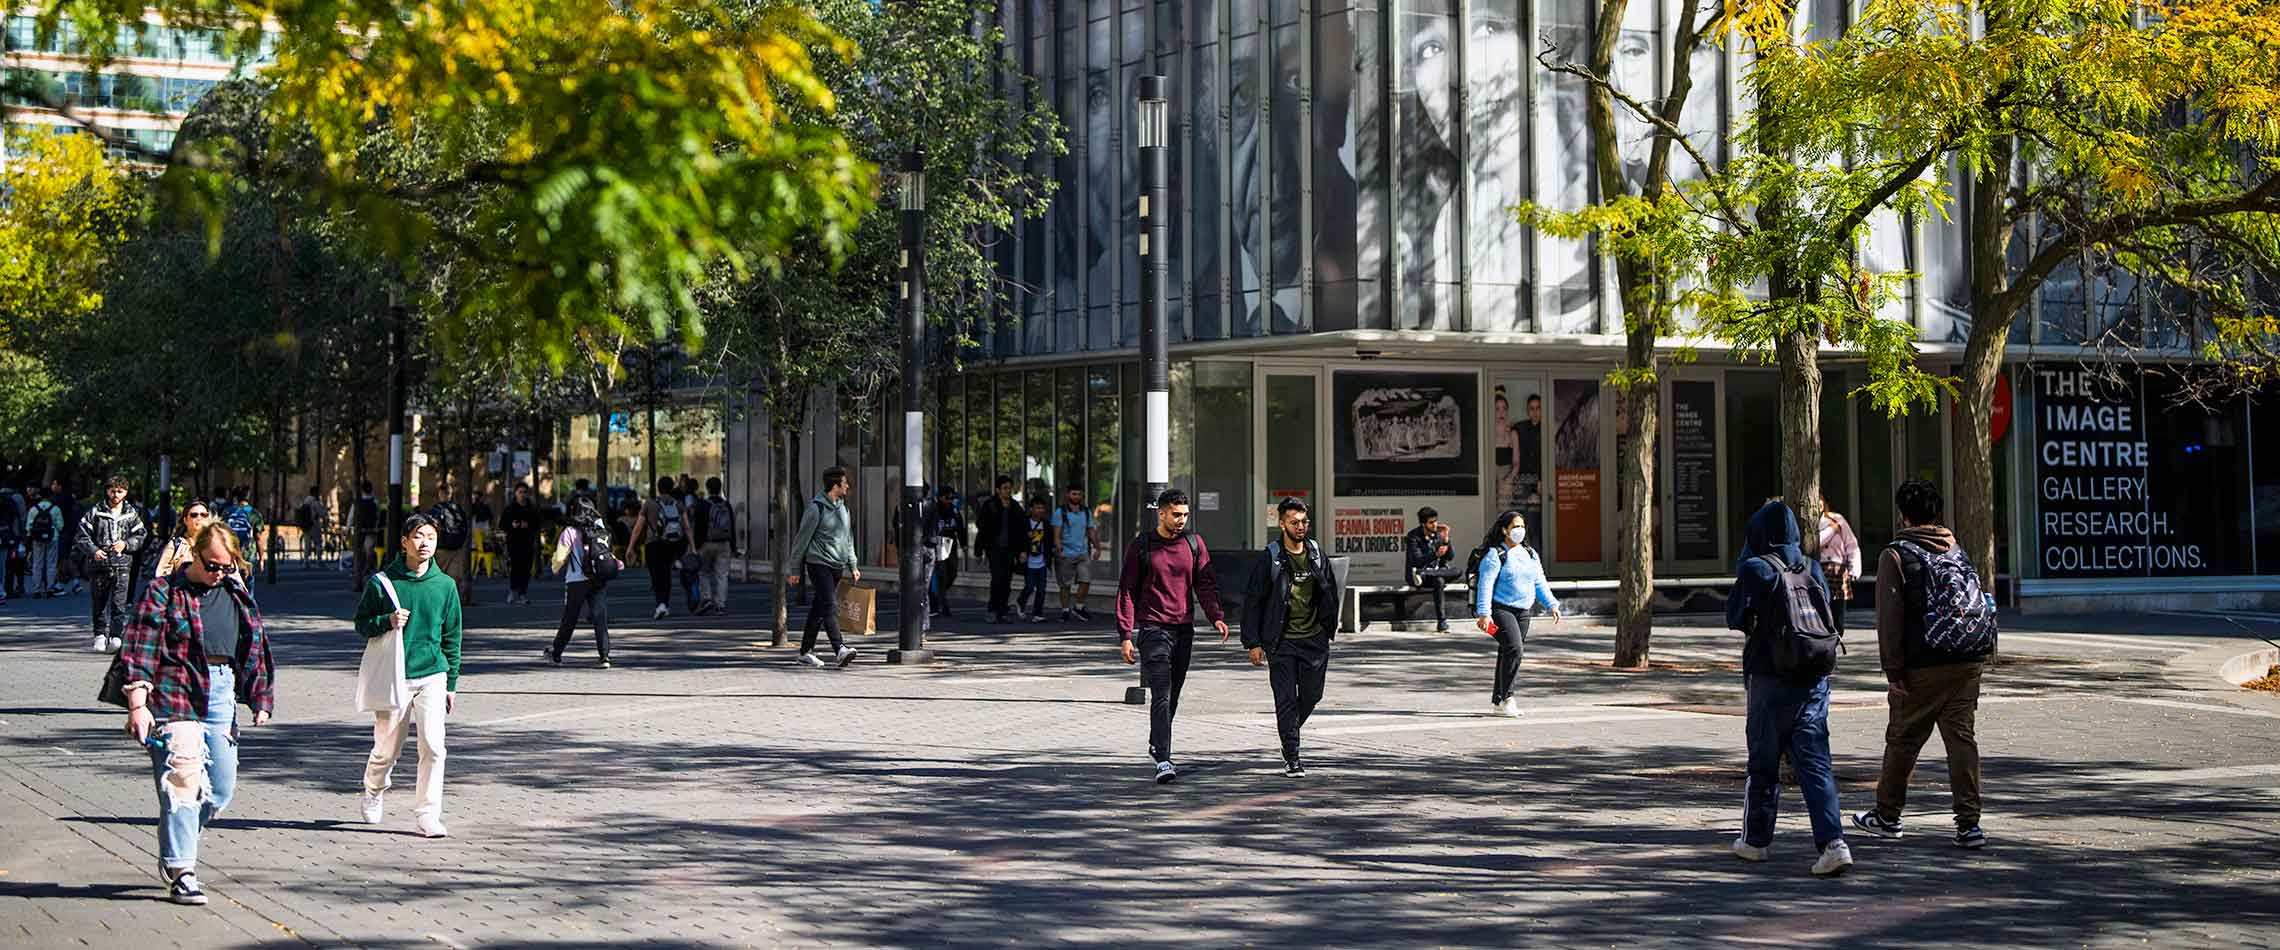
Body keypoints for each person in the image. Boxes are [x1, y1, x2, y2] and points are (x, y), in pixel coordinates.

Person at [117, 522, 275, 906]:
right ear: (194, 555)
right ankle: (182, 871)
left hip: (220, 690)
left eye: (227, 565)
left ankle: (177, 834)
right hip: (174, 691)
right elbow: (139, 649)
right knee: (183, 782)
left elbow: (255, 645)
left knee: (220, 788)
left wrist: (260, 698)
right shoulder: (164, 592)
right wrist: (137, 703)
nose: (219, 573)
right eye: (212, 565)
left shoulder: (236, 593)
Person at [1854, 479, 1996, 850]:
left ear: (1903, 514)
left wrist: (1894, 670)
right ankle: (1969, 825)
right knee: (1961, 740)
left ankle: (1887, 815)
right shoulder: (1955, 548)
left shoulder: (1896, 554)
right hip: (1967, 660)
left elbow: (1889, 619)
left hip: (1923, 664)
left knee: (1903, 739)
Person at [1727, 500, 1854, 877]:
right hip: (1814, 677)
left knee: (1764, 761)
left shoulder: (1755, 568)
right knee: (1815, 763)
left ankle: (1755, 841)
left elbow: (1734, 616)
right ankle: (1833, 843)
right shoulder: (1811, 566)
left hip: (1769, 678)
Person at [353, 514, 464, 838]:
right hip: (395, 675)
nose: (425, 542)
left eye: (430, 536)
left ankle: (428, 814)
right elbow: (361, 623)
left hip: (433, 674)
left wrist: (452, 683)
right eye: (418, 536)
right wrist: (386, 620)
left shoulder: (445, 586)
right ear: (404, 541)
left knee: (434, 746)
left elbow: (452, 637)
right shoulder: (383, 583)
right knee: (388, 748)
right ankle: (373, 790)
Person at [1115, 489, 1230, 784]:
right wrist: (1125, 634)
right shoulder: (1142, 545)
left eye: (1185, 515)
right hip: (1153, 629)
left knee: (1173, 696)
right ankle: (1164, 759)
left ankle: (1156, 741)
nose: (1181, 520)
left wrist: (1216, 615)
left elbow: (1205, 584)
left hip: (1183, 629)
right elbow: (1127, 590)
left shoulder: (1194, 544)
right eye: (1176, 514)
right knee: (1162, 692)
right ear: (1161, 513)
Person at [1240, 498, 1341, 777]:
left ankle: (1289, 731)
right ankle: (1292, 755)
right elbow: (1253, 602)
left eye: (1304, 521)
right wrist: (1253, 642)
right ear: (1281, 523)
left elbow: (1330, 590)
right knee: (1285, 699)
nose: (1300, 527)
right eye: (1294, 522)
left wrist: (1329, 624)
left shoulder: (1316, 553)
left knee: (1312, 695)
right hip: (1281, 642)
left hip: (1315, 640)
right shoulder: (1270, 557)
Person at [1471, 510, 1562, 717]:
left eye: (1522, 526)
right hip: (1500, 609)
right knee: (1515, 650)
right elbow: (1485, 585)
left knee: (1507, 652)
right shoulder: (1495, 555)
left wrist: (1552, 604)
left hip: (1523, 611)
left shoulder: (1530, 553)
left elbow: (1539, 581)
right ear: (1505, 530)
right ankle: (1508, 697)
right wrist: (1484, 614)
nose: (1520, 530)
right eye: (1515, 527)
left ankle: (1497, 701)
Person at [787, 466, 861, 668]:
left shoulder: (844, 508)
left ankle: (805, 653)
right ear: (835, 485)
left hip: (837, 565)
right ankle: (839, 649)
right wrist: (795, 569)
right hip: (818, 564)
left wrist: (852, 564)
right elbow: (801, 540)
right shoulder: (815, 508)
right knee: (829, 605)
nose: (847, 485)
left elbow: (848, 538)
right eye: (844, 482)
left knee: (818, 609)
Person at [77, 475, 149, 653]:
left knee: (119, 602)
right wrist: (93, 550)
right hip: (99, 564)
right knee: (99, 602)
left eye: (120, 491)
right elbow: (81, 534)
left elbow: (141, 534)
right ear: (107, 490)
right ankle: (99, 635)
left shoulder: (131, 513)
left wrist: (126, 544)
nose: (116, 494)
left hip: (123, 564)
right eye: (112, 490)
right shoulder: (95, 511)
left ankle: (116, 636)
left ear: (125, 492)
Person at [545, 496, 615, 668]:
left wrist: (554, 567)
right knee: (600, 617)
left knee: (570, 618)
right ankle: (604, 656)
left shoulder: (569, 531)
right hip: (598, 578)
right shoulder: (599, 527)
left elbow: (559, 559)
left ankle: (556, 653)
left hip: (576, 580)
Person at [627, 477, 690, 621]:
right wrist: (691, 547)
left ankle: (660, 604)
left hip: (653, 544)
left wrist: (631, 546)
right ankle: (665, 604)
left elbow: (638, 527)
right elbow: (687, 527)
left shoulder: (649, 504)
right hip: (671, 543)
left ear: (658, 487)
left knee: (656, 574)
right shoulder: (678, 504)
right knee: (666, 574)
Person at [689, 476, 738, 616]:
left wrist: (696, 546)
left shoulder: (702, 505)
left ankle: (707, 598)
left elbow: (698, 527)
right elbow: (732, 527)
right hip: (724, 544)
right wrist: (733, 547)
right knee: (722, 574)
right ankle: (721, 605)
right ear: (720, 487)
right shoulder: (726, 505)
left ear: (708, 488)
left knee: (704, 572)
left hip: (706, 544)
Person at [974, 476, 1021, 623]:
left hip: (1009, 549)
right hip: (994, 548)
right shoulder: (991, 505)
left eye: (1009, 488)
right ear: (998, 490)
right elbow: (982, 528)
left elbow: (1022, 529)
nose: (1008, 491)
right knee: (997, 579)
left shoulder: (1015, 506)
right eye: (1005, 488)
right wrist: (979, 550)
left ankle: (1002, 610)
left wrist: (1022, 550)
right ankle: (993, 610)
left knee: (1007, 580)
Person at [1404, 507, 1456, 632]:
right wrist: (1435, 554)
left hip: (1432, 573)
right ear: (1423, 524)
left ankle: (1430, 573)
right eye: (1431, 522)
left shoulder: (1438, 535)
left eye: (1436, 521)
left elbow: (1450, 557)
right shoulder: (1413, 536)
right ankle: (1442, 623)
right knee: (1439, 581)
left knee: (1456, 572)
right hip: (1418, 577)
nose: (1435, 525)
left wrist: (1446, 539)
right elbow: (1417, 560)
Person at [1051, 486, 1098, 622]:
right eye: (1074, 494)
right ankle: (1065, 610)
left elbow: (1091, 531)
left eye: (1079, 494)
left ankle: (1079, 607)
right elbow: (1056, 533)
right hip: (1066, 553)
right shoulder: (1061, 512)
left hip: (1082, 553)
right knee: (1065, 585)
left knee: (1086, 580)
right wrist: (1060, 550)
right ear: (1068, 495)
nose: (1076, 496)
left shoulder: (1086, 512)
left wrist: (1097, 547)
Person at [1817, 499, 1862, 635]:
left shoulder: (1837, 519)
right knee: (1822, 612)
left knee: (1838, 616)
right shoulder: (1807, 522)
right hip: (1817, 570)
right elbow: (1815, 542)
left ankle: (1836, 641)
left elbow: (1851, 544)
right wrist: (1831, 530)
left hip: (1837, 570)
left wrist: (1854, 569)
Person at [428, 483, 474, 604]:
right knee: (452, 579)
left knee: (443, 578)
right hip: (453, 549)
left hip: (443, 549)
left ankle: (443, 604)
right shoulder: (457, 509)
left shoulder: (435, 510)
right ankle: (448, 604)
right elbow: (465, 528)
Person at [501, 483, 542, 606]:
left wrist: (528, 525)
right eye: (520, 492)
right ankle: (513, 590)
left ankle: (523, 592)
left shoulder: (531, 508)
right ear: (515, 493)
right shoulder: (510, 508)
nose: (522, 495)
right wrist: (511, 525)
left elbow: (538, 524)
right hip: (514, 541)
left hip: (527, 541)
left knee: (526, 568)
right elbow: (502, 524)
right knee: (515, 566)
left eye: (524, 492)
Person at [1013, 498, 1053, 623]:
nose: (1040, 510)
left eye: (1042, 508)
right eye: (1037, 508)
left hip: (1042, 560)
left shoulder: (1046, 524)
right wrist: (1022, 552)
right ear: (1031, 509)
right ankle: (1020, 602)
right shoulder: (1024, 523)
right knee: (1030, 586)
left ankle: (1038, 613)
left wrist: (1051, 553)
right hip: (1029, 561)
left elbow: (1049, 541)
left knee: (1041, 588)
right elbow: (1018, 539)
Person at [927, 486, 965, 617]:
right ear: (940, 497)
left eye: (952, 498)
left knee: (952, 572)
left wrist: (964, 543)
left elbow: (960, 527)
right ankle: (942, 604)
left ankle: (938, 595)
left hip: (950, 541)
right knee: (941, 574)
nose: (950, 501)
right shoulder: (934, 510)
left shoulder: (954, 510)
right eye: (947, 498)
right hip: (939, 542)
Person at [23, 485, 63, 597]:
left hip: (37, 538)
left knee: (37, 563)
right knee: (51, 563)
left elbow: (28, 526)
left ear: (40, 496)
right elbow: (60, 525)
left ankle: (37, 589)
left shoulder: (34, 509)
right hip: (52, 537)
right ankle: (50, 588)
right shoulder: (55, 509)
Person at [351, 481, 381, 590]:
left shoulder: (357, 502)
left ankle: (359, 572)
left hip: (359, 530)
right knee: (369, 550)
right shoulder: (375, 501)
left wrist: (349, 526)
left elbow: (351, 515)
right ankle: (367, 569)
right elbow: (378, 515)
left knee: (358, 552)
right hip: (371, 530)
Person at [295, 486, 327, 565]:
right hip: (314, 524)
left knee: (307, 544)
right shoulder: (315, 502)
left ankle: (306, 561)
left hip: (305, 525)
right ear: (315, 493)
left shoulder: (305, 501)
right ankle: (319, 560)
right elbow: (322, 513)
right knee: (318, 542)